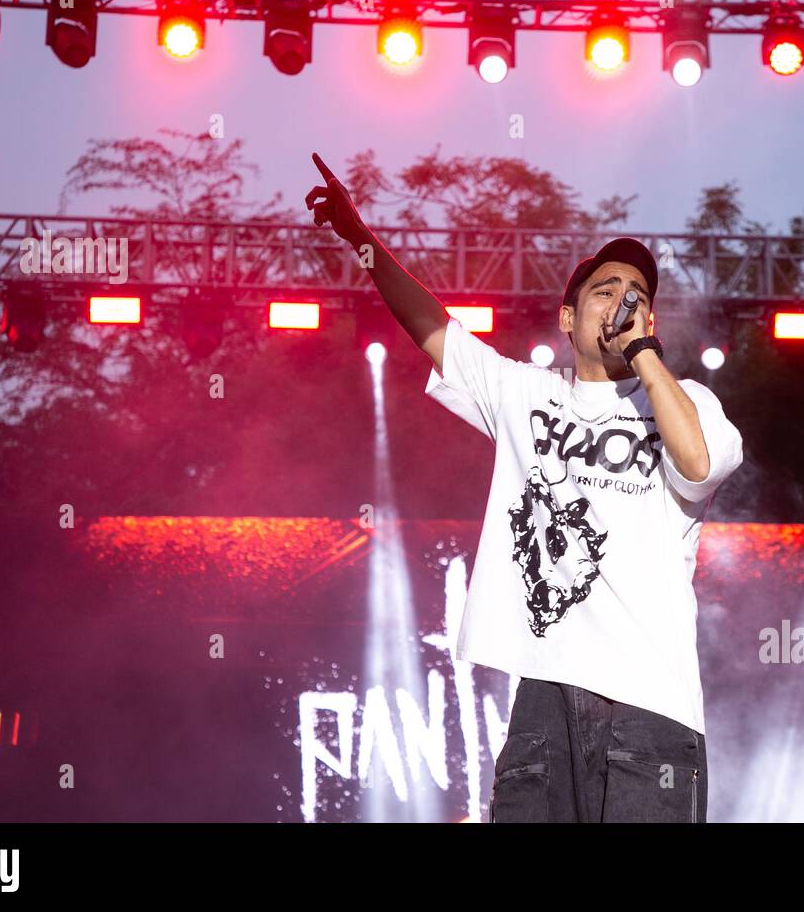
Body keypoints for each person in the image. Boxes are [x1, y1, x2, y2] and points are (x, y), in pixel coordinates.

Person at [306, 152, 744, 822]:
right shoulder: (523, 394)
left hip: (652, 706)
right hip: (543, 702)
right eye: (605, 288)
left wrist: (645, 356)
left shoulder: (686, 402)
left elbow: (699, 466)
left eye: (637, 295)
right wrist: (361, 237)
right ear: (567, 321)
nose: (622, 299)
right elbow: (431, 326)